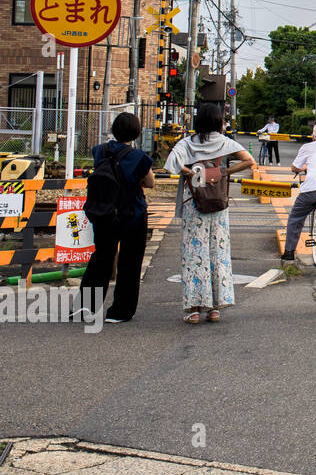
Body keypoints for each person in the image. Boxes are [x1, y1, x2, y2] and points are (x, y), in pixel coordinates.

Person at [164, 102, 256, 324]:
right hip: (218, 205)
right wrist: (222, 171)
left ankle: (194, 309)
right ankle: (215, 308)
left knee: (194, 254)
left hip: (193, 205)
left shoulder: (186, 144)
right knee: (218, 253)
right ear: (218, 122)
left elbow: (171, 163)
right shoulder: (225, 143)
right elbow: (249, 161)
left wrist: (194, 173)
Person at [80, 112, 155, 324]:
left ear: (114, 129)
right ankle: (120, 311)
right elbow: (149, 183)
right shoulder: (139, 157)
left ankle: (86, 308)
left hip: (103, 213)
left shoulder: (99, 151)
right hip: (132, 214)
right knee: (130, 262)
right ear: (137, 132)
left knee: (101, 258)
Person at [281, 122, 316, 263]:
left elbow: (294, 167)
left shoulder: (307, 147)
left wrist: (304, 168)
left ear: (313, 136)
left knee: (296, 218)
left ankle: (289, 252)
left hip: (312, 189)